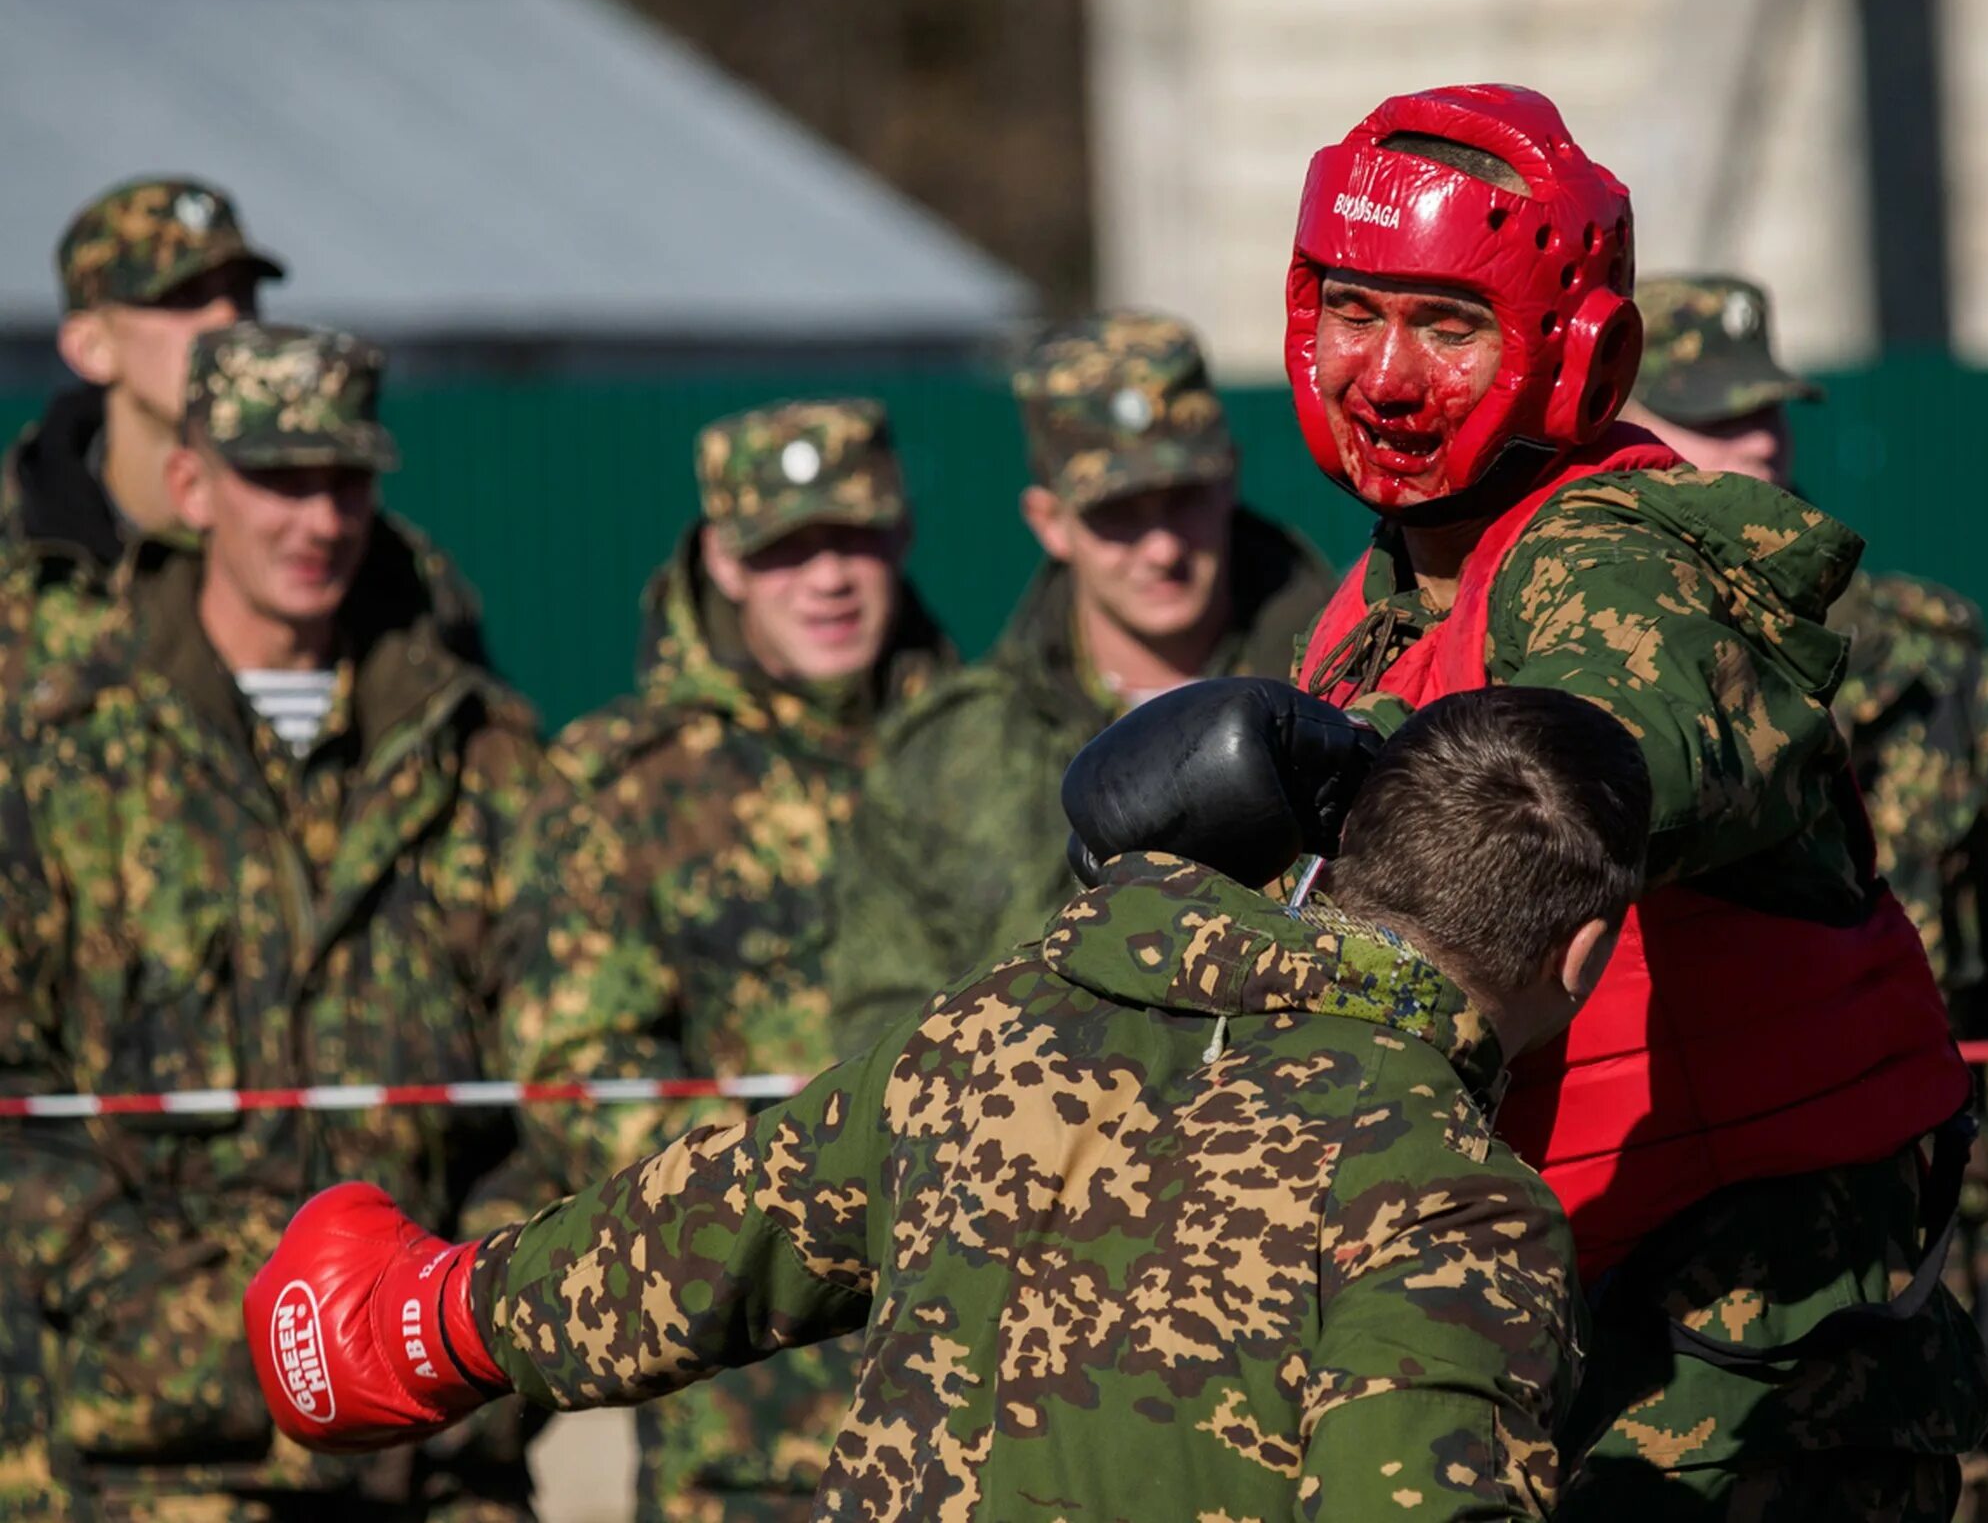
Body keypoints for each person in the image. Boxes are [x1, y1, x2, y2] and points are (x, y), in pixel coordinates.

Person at [1067, 85, 1988, 1517]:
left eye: (1446, 325)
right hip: (1596, 1322)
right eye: (1355, 314)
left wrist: (1352, 755)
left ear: (1570, 351)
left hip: (1749, 1366)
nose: (1384, 375)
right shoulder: (1375, 601)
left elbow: (1638, 756)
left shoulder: (1606, 548)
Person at [248, 680, 1656, 1522]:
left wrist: (417, 1325)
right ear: (1580, 955)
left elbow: (691, 1244)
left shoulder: (1005, 1028)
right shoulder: (1450, 1199)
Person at [0, 324, 544, 1520]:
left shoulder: (481, 755)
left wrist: (461, 1307)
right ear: (191, 483)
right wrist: (176, 1316)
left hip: (438, 1440)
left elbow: (573, 1076)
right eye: (277, 479)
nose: (317, 521)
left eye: (344, 480)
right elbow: (12, 1091)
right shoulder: (61, 756)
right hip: (158, 1457)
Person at [1627, 273, 1988, 1523]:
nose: (1759, 442)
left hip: (1926, 1273)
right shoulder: (1596, 674)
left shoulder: (1930, 651)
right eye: (1713, 417)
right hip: (1682, 1309)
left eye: (1771, 411)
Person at [498, 398, 955, 1521]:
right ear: (723, 561)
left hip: (975, 1380)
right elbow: (576, 1063)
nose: (828, 580)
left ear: (898, 539)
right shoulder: (624, 781)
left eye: (850, 540)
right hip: (749, 1409)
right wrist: (794, 1194)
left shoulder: (982, 752)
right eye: (786, 551)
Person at [826, 310, 1332, 1055]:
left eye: (1183, 495)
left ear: (1228, 474)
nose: (1161, 547)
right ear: (1049, 521)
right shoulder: (947, 758)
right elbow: (885, 1034)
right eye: (1117, 513)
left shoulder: (1340, 693)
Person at [0, 176, 484, 699]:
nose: (227, 319)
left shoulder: (380, 568)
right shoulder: (22, 554)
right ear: (89, 345)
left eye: (241, 294)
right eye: (183, 297)